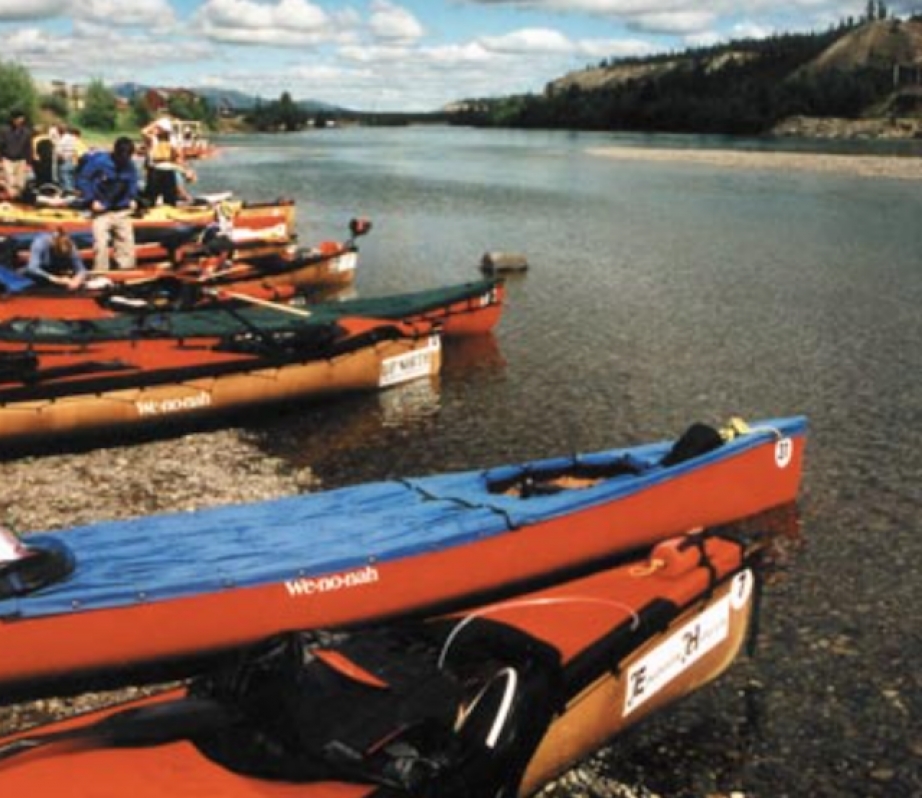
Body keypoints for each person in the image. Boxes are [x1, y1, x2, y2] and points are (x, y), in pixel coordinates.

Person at [75, 137, 140, 272]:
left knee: (126, 241)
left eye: (127, 157)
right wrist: (91, 199)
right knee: (100, 243)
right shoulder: (99, 161)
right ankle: (101, 271)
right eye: (121, 157)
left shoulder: (129, 165)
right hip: (101, 210)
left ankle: (125, 270)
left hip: (121, 209)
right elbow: (83, 179)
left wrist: (132, 197)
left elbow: (133, 182)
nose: (123, 160)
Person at [141, 117, 184, 206]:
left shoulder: (171, 140)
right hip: (155, 169)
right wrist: (155, 123)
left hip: (168, 169)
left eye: (159, 128)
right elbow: (144, 132)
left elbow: (178, 156)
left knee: (170, 197)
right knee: (151, 197)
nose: (157, 130)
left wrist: (183, 170)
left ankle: (169, 207)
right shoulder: (153, 138)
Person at [0, 111, 34, 200]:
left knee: (20, 182)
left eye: (21, 118)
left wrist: (29, 163)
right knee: (10, 180)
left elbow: (28, 148)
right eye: (17, 118)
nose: (19, 120)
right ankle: (12, 197)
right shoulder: (4, 130)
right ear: (13, 119)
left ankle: (17, 196)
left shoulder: (26, 132)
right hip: (7, 158)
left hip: (21, 159)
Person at [57, 127, 87, 193]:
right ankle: (72, 189)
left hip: (69, 159)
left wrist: (61, 158)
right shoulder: (76, 140)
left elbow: (59, 151)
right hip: (77, 160)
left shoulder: (64, 139)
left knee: (64, 172)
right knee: (72, 175)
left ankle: (69, 190)